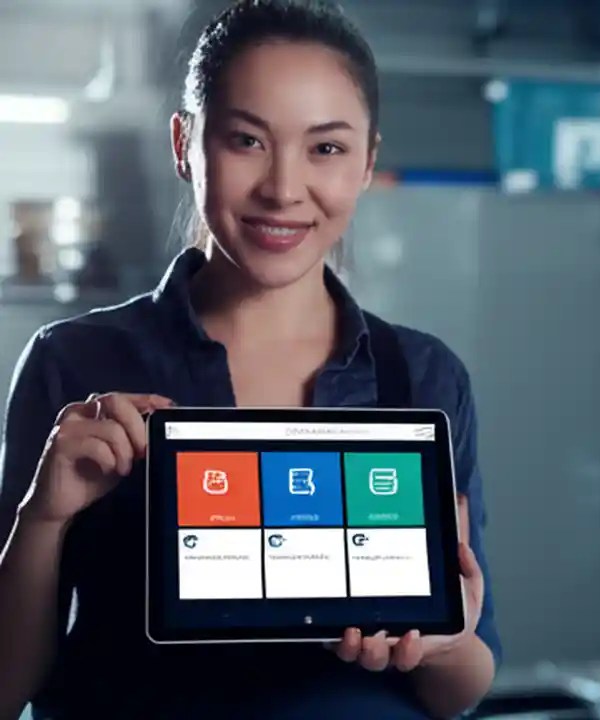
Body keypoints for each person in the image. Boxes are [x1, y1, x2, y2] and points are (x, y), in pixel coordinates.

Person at [0, 1, 500, 718]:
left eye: (326, 148)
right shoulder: (74, 363)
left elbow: (462, 690)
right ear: (184, 143)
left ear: (367, 161)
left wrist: (443, 645)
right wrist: (41, 519)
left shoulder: (423, 375)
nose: (283, 189)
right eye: (246, 140)